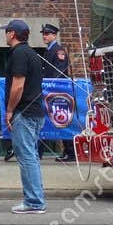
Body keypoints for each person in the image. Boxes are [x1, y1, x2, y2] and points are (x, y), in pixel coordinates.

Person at [3, 19, 48, 214]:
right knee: (31, 156)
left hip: (25, 112)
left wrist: (10, 110)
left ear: (12, 34)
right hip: (35, 112)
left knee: (27, 157)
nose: (5, 35)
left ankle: (34, 201)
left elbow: (18, 85)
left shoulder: (19, 53)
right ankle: (34, 198)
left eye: (7, 32)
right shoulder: (31, 53)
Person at [41, 23, 76, 162]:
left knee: (63, 120)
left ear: (54, 35)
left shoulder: (58, 51)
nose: (45, 36)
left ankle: (71, 152)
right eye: (43, 34)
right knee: (56, 120)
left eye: (47, 34)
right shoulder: (48, 50)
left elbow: (59, 72)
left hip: (58, 92)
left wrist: (50, 85)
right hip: (50, 91)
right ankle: (66, 151)